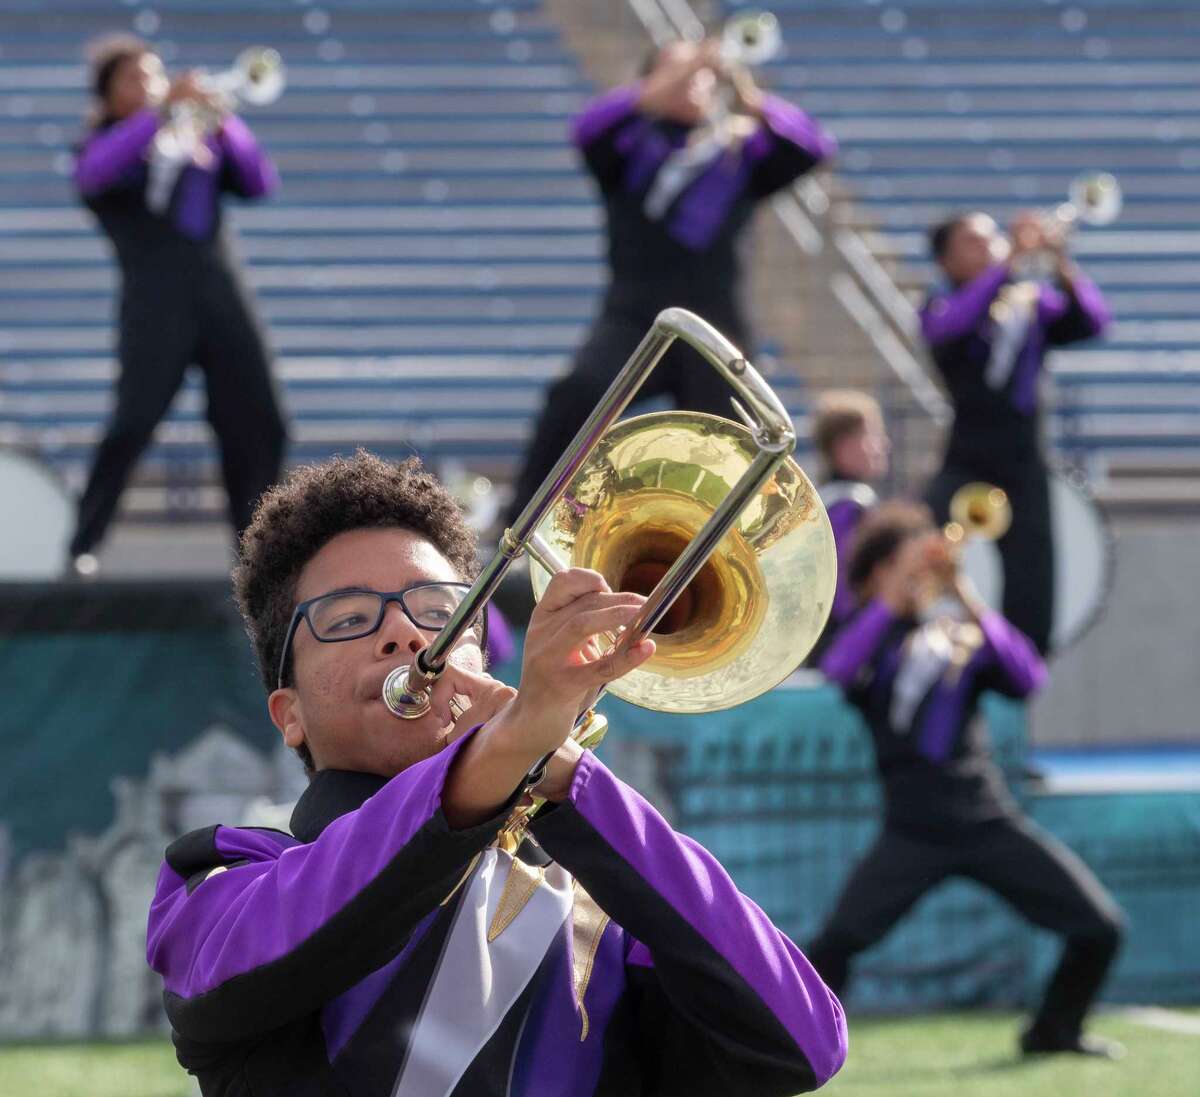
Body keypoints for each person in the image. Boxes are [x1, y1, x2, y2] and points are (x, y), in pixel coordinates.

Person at [146, 451, 847, 1096]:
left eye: (438, 610)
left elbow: (802, 1042)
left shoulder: (606, 908)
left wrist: (568, 776)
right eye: (350, 617)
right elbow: (288, 928)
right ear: (288, 712)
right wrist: (499, 757)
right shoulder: (222, 878)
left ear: (481, 653)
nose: (408, 635)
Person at [807, 501, 1125, 1059]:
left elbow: (1028, 678)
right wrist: (892, 598)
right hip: (911, 831)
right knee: (836, 945)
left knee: (1100, 929)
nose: (925, 573)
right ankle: (801, 1043)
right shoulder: (871, 637)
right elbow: (836, 671)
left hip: (986, 820)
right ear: (880, 570)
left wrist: (968, 595)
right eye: (911, 563)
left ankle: (1053, 1031)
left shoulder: (959, 633)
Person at [505, 37, 837, 524]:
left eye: (703, 77)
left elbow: (811, 148)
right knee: (577, 395)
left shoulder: (736, 151)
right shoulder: (629, 145)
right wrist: (673, 77)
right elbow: (587, 129)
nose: (694, 83)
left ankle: (742, 538)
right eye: (680, 73)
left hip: (716, 322)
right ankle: (521, 522)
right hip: (635, 314)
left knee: (736, 435)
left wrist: (749, 94)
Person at [68, 35, 287, 576]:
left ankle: (258, 560)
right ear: (108, 95)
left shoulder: (196, 138)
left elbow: (261, 182)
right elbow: (93, 173)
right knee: (134, 422)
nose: (150, 86)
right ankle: (81, 547)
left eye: (156, 75)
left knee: (260, 421)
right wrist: (162, 111)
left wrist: (223, 121)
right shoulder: (106, 146)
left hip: (222, 295)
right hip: (155, 303)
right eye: (134, 79)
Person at [920, 210, 1110, 654]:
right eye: (973, 243)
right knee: (926, 538)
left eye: (992, 240)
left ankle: (1020, 658)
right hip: (966, 450)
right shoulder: (939, 302)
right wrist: (1009, 265)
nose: (989, 249)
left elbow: (1094, 322)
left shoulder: (1027, 303)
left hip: (1023, 454)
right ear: (944, 261)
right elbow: (949, 327)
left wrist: (1060, 261)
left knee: (1033, 566)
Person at [811, 390, 891, 636]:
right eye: (872, 435)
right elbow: (844, 596)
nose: (884, 445)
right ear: (843, 447)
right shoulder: (847, 506)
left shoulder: (831, 498)